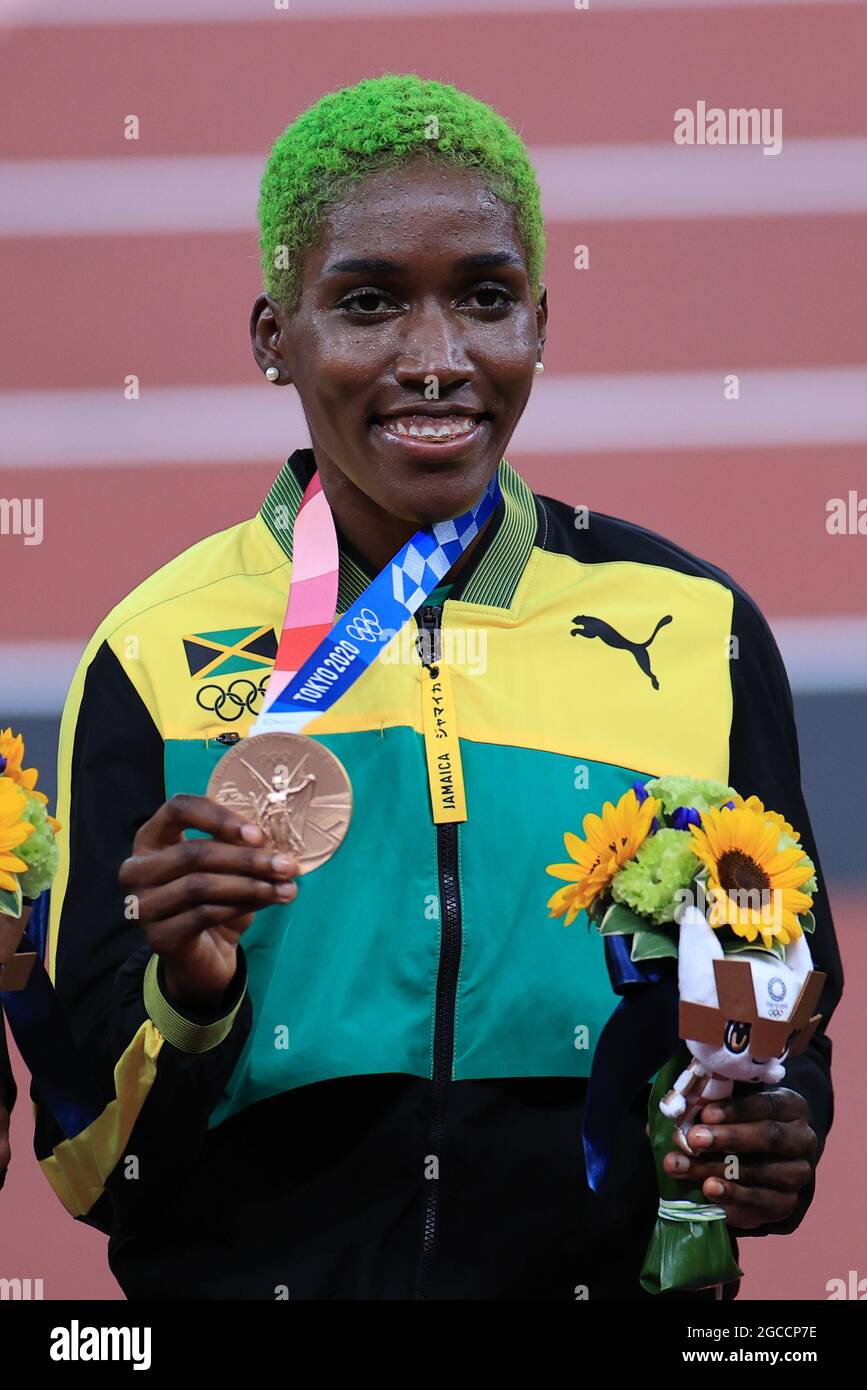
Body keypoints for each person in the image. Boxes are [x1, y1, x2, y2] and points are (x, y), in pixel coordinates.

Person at [32, 74, 841, 1300]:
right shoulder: (151, 653)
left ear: (540, 323)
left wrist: (775, 1132)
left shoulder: (695, 627)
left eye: (485, 298)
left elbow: (786, 1014)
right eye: (368, 303)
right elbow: (95, 1167)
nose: (437, 360)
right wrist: (190, 999)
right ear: (273, 337)